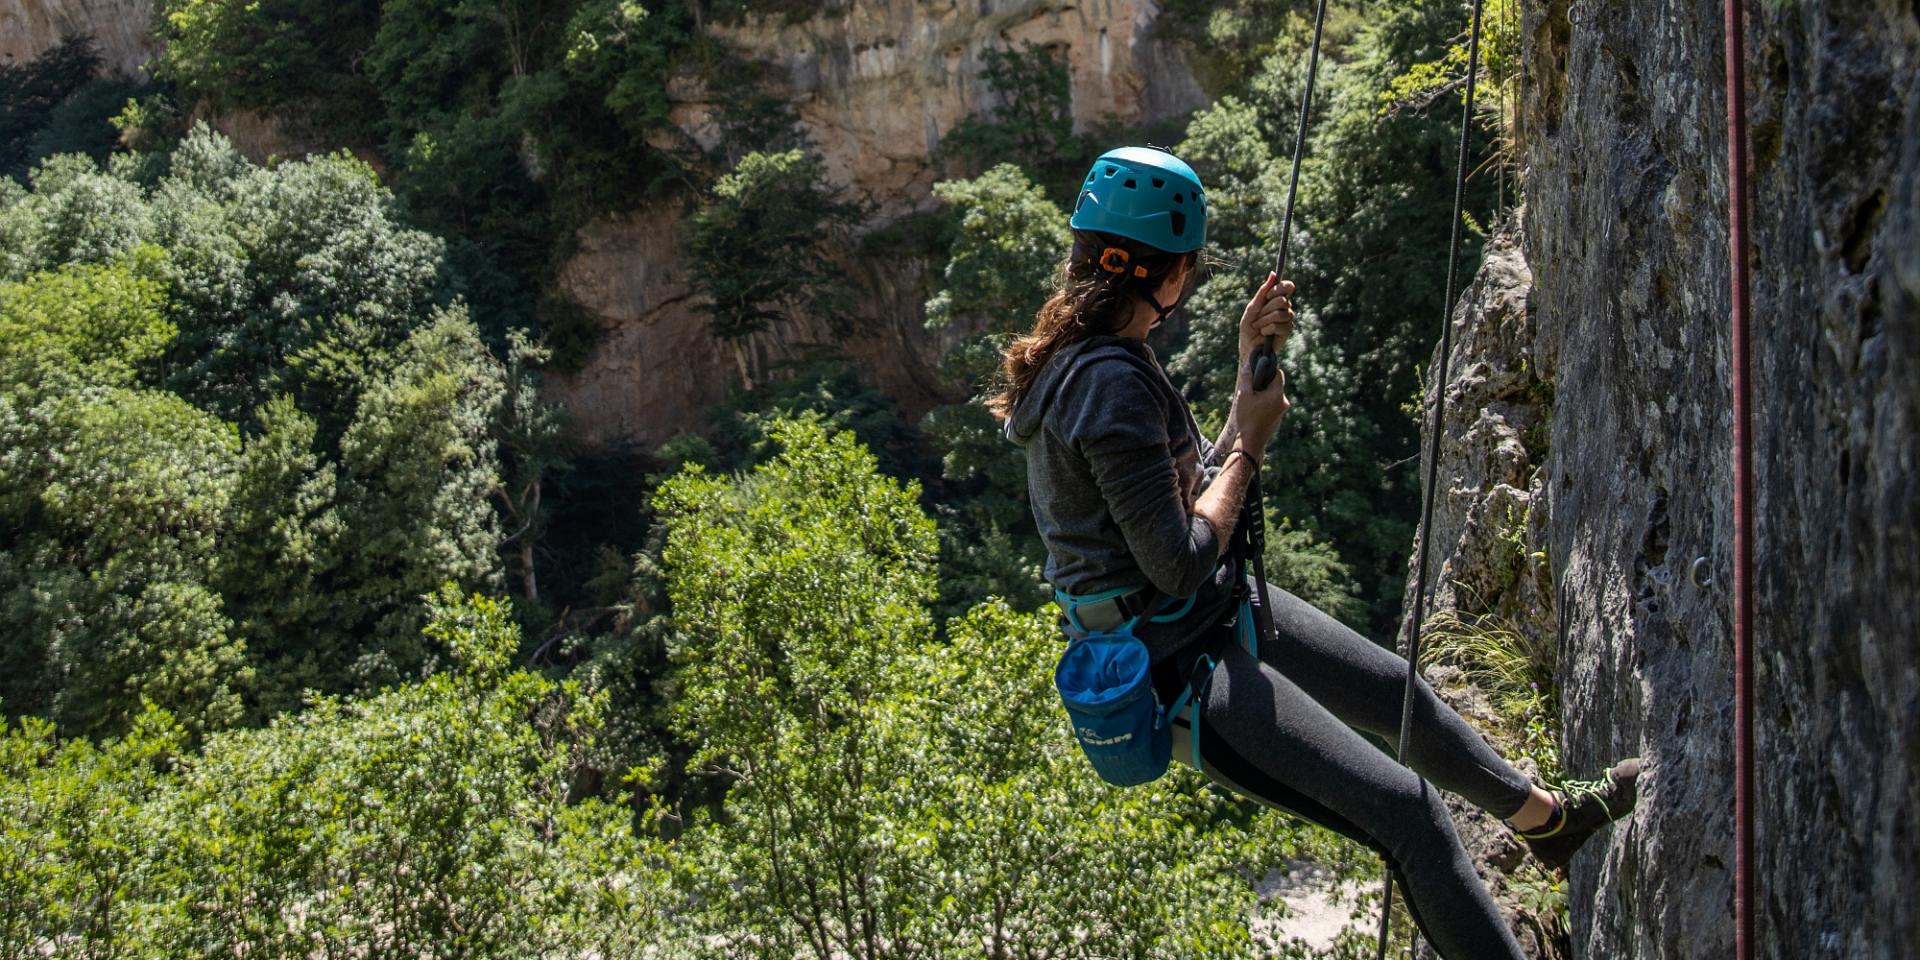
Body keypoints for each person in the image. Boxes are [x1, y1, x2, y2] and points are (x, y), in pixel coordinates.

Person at [996, 146, 1641, 959]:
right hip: (1178, 661)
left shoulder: (1099, 362)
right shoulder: (1110, 382)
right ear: (1170, 275)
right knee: (1411, 817)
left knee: (1400, 695)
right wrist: (1254, 447)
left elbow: (1190, 494)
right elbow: (1180, 556)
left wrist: (1243, 387)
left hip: (1200, 615)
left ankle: (1548, 821)